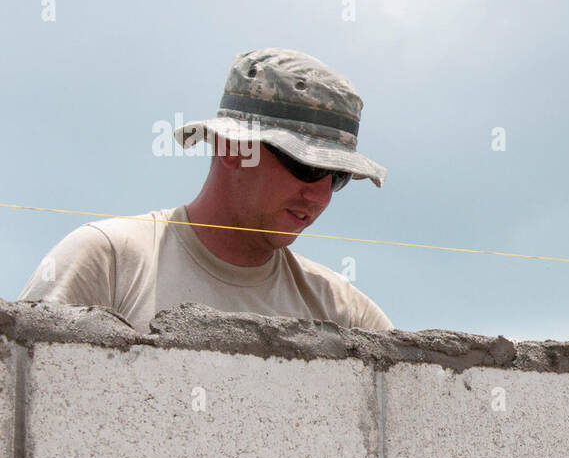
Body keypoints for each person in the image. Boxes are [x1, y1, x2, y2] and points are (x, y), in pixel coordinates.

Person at [19, 48, 395, 329]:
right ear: (233, 149)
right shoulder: (110, 262)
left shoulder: (345, 314)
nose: (320, 196)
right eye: (308, 167)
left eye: (338, 176)